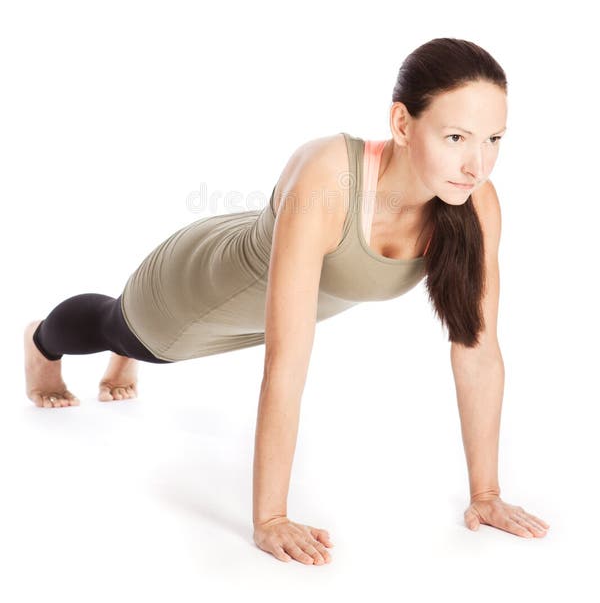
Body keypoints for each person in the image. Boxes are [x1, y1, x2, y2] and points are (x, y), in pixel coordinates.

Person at [24, 37, 550, 564]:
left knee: (133, 342)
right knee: (122, 328)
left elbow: (477, 352)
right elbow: (287, 364)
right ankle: (41, 343)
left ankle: (123, 358)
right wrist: (270, 517)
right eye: (456, 136)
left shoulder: (474, 203)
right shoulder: (331, 174)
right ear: (402, 123)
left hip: (271, 287)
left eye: (494, 139)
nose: (477, 164)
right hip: (198, 289)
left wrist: (487, 495)